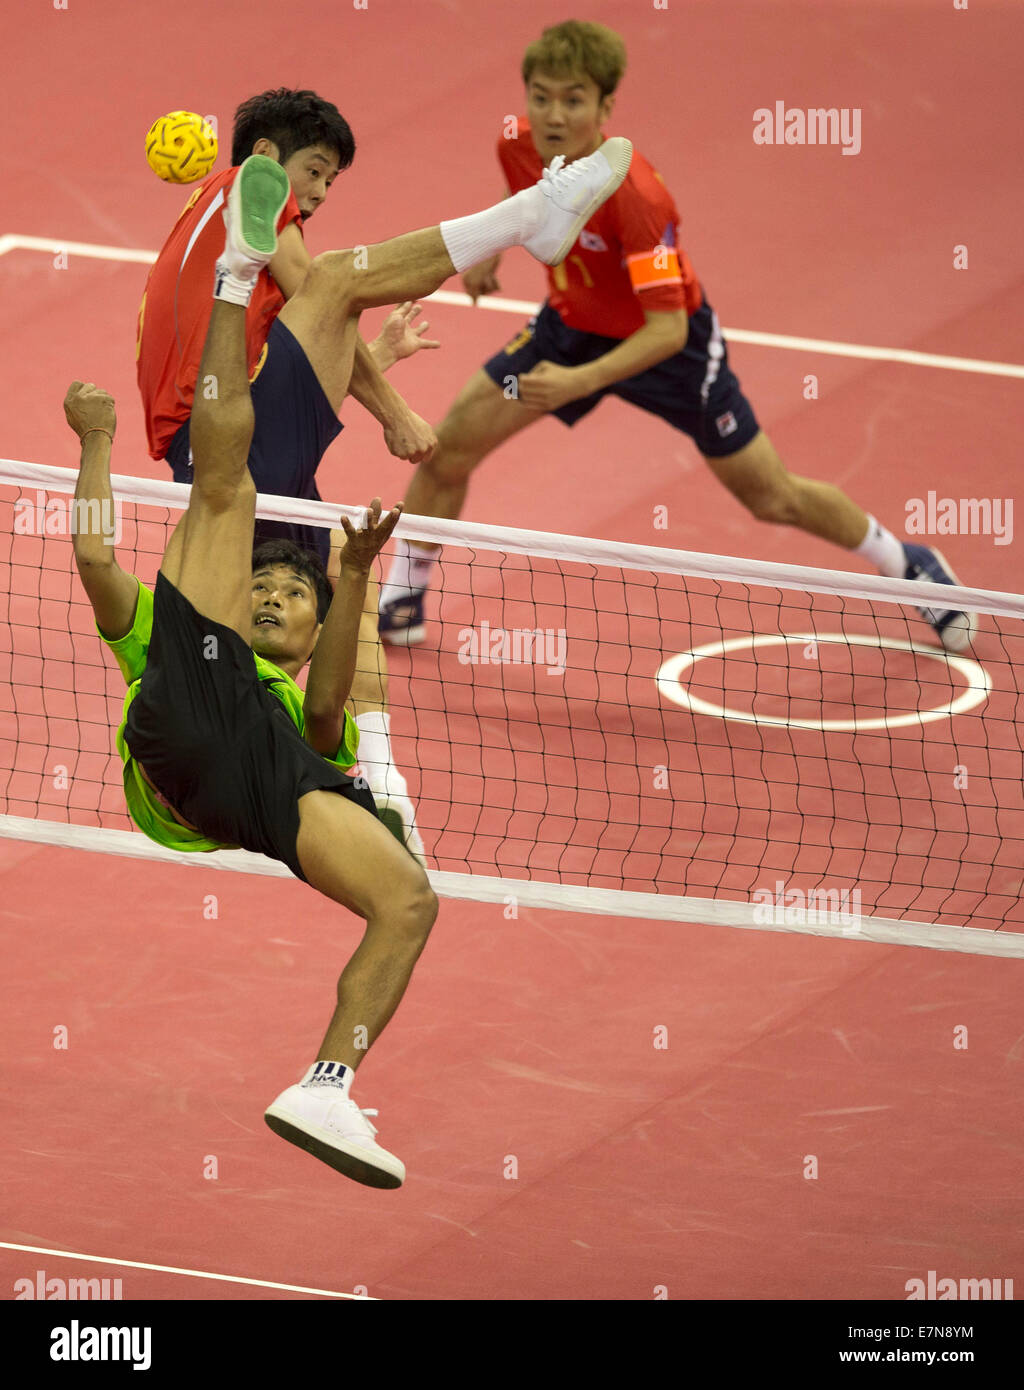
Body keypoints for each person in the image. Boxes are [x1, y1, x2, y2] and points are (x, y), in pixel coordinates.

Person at [65, 141, 632, 1186]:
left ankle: (324, 1085)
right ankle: (247, 279)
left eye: (293, 596)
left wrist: (356, 578)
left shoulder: (296, 699)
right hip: (192, 725)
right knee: (226, 483)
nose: (279, 597)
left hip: (241, 788)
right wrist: (98, 443)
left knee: (410, 900)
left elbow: (331, 697)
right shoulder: (175, 639)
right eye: (276, 594)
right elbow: (100, 555)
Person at [378, 20, 974, 655]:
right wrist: (495, 249)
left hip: (672, 355)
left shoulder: (640, 200)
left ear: (606, 107)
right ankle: (406, 585)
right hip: (567, 333)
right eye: (541, 96)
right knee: (449, 450)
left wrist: (579, 384)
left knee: (771, 497)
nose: (553, 115)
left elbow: (666, 329)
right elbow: (525, 188)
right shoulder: (520, 145)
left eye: (573, 99)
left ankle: (906, 561)